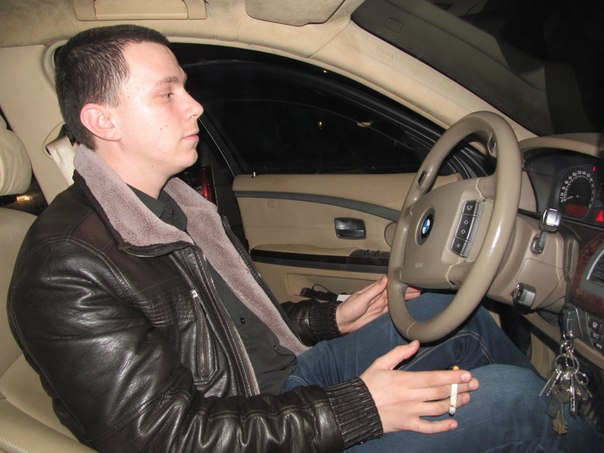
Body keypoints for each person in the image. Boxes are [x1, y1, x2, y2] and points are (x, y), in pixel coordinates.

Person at [7, 24, 602, 452]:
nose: (195, 106)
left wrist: (329, 319)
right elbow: (165, 436)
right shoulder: (66, 265)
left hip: (281, 387)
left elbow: (230, 327)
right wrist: (361, 409)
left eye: (185, 87)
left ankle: (567, 427)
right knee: (510, 399)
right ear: (102, 120)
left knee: (451, 314)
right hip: (246, 429)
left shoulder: (173, 206)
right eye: (168, 93)